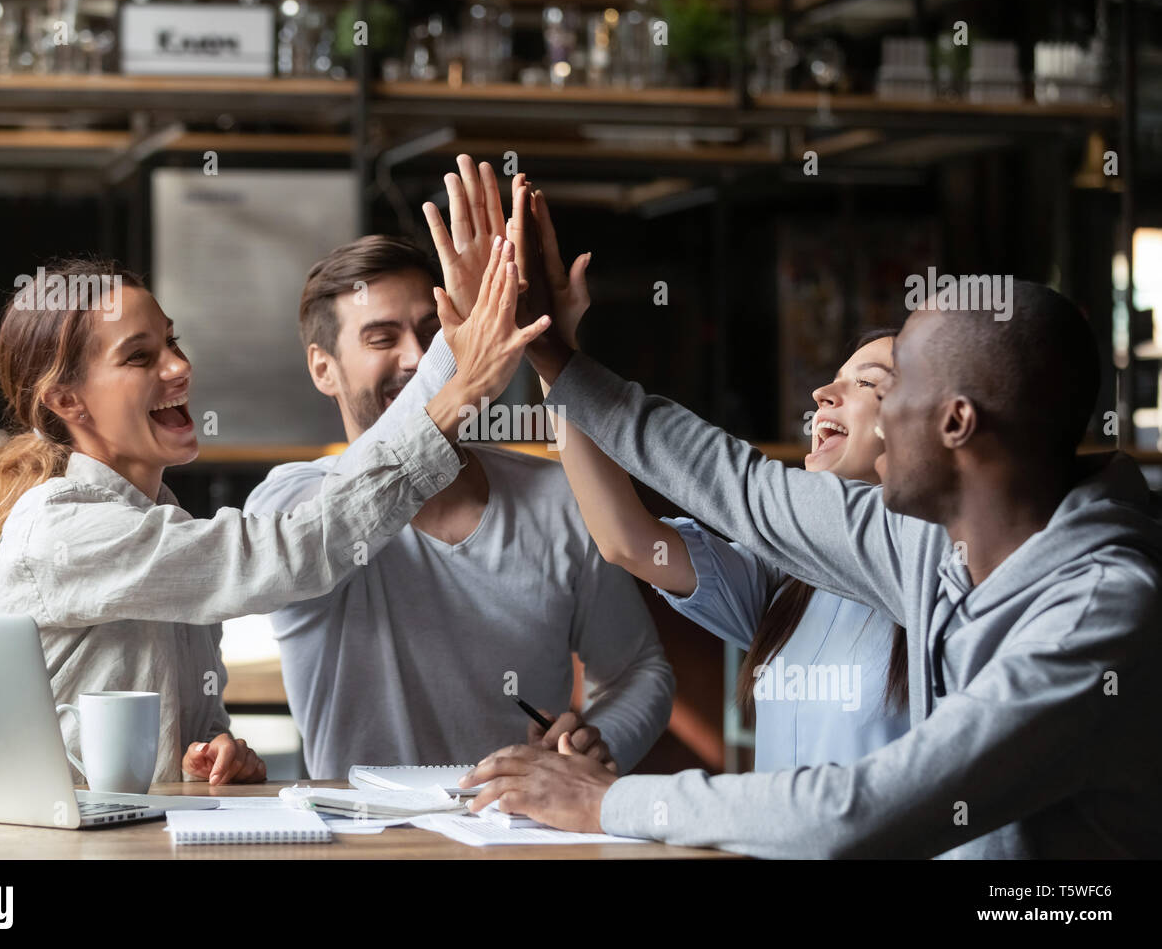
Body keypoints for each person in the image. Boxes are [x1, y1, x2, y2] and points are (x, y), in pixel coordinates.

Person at [459, 188, 1162, 858]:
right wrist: (554, 353)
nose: (852, 402)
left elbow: (860, 810)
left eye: (892, 387)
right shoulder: (926, 546)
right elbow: (738, 483)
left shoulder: (1095, 615)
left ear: (956, 423)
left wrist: (606, 801)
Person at [0, 248, 549, 786]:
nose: (178, 367)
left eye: (171, 341)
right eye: (139, 357)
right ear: (66, 401)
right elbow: (288, 553)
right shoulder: (60, 527)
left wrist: (212, 751)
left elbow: (193, 723)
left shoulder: (163, 518)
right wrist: (452, 395)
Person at [245, 157, 673, 779]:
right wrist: (461, 361)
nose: (418, 357)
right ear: (322, 369)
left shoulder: (556, 498)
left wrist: (601, 740)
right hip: (360, 843)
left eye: (434, 330)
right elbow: (373, 479)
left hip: (523, 836)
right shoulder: (294, 504)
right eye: (381, 337)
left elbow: (639, 670)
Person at [547, 323, 908, 771]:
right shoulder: (786, 580)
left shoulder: (938, 575)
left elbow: (734, 480)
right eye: (835, 377)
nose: (821, 393)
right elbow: (625, 542)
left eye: (867, 382)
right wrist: (551, 357)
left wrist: (557, 360)